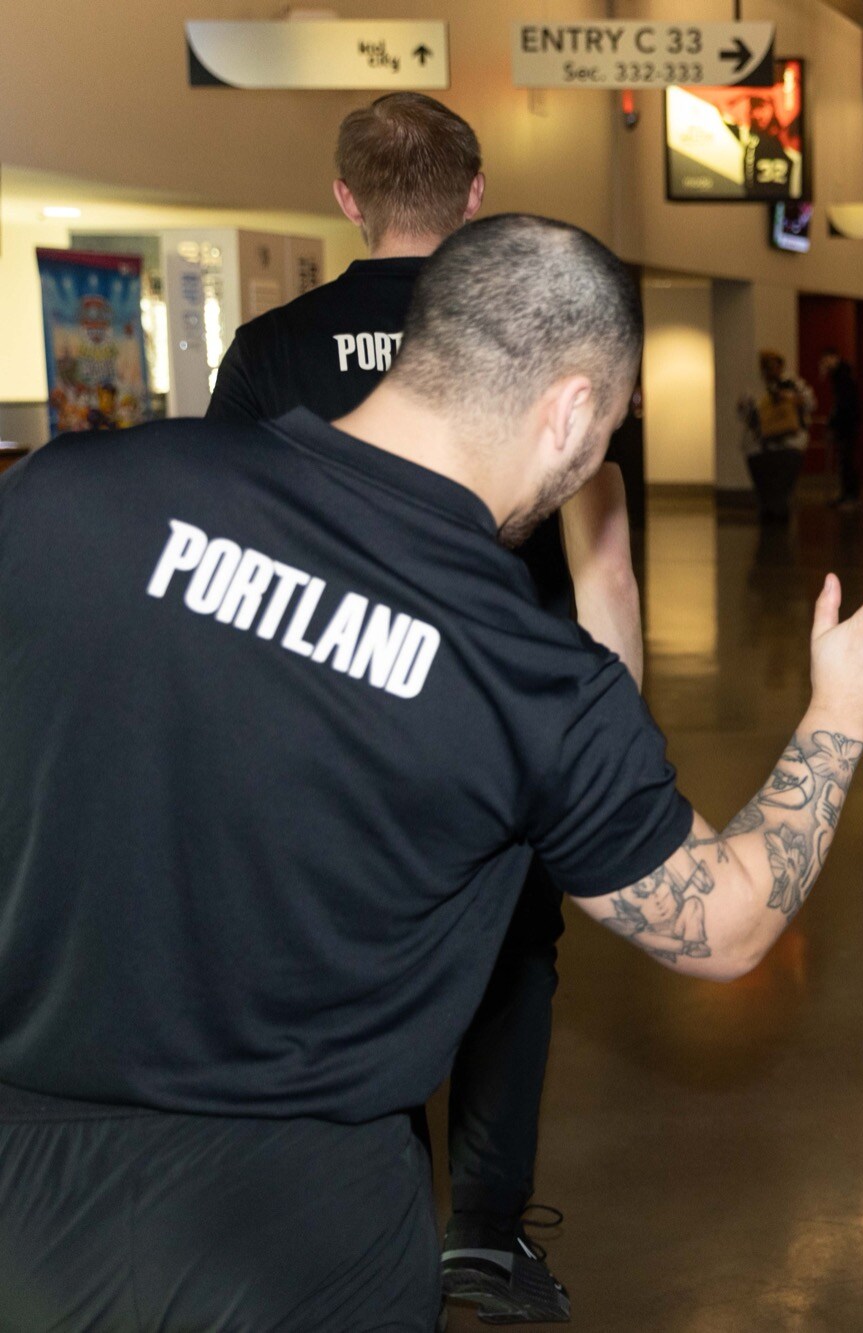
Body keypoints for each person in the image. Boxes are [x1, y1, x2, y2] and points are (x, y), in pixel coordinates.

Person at [0, 213, 863, 1332]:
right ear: (566, 407)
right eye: (602, 431)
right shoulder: (526, 677)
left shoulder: (74, 491)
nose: (589, 464)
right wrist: (841, 711)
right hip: (293, 1235)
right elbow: (731, 922)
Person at [204, 92, 640, 1323]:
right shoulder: (545, 343)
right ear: (475, 192)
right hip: (499, 726)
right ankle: (481, 1245)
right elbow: (603, 565)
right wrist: (614, 750)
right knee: (511, 970)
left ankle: (365, 1228)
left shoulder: (272, 348)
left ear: (345, 199)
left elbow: (232, 557)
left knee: (344, 965)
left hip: (321, 729)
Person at [740, 349, 814, 521]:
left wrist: (791, 399)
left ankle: (776, 511)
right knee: (766, 486)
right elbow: (746, 413)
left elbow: (809, 403)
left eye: (774, 365)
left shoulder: (793, 385)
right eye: (766, 366)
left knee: (780, 486)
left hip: (788, 444)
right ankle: (771, 511)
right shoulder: (754, 389)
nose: (770, 370)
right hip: (760, 446)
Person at [818, 346, 862, 507]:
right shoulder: (844, 374)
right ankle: (848, 495)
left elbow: (843, 403)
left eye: (826, 360)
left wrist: (834, 422)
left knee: (846, 461)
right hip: (849, 423)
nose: (824, 364)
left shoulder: (841, 377)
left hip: (847, 424)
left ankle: (850, 495)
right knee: (846, 460)